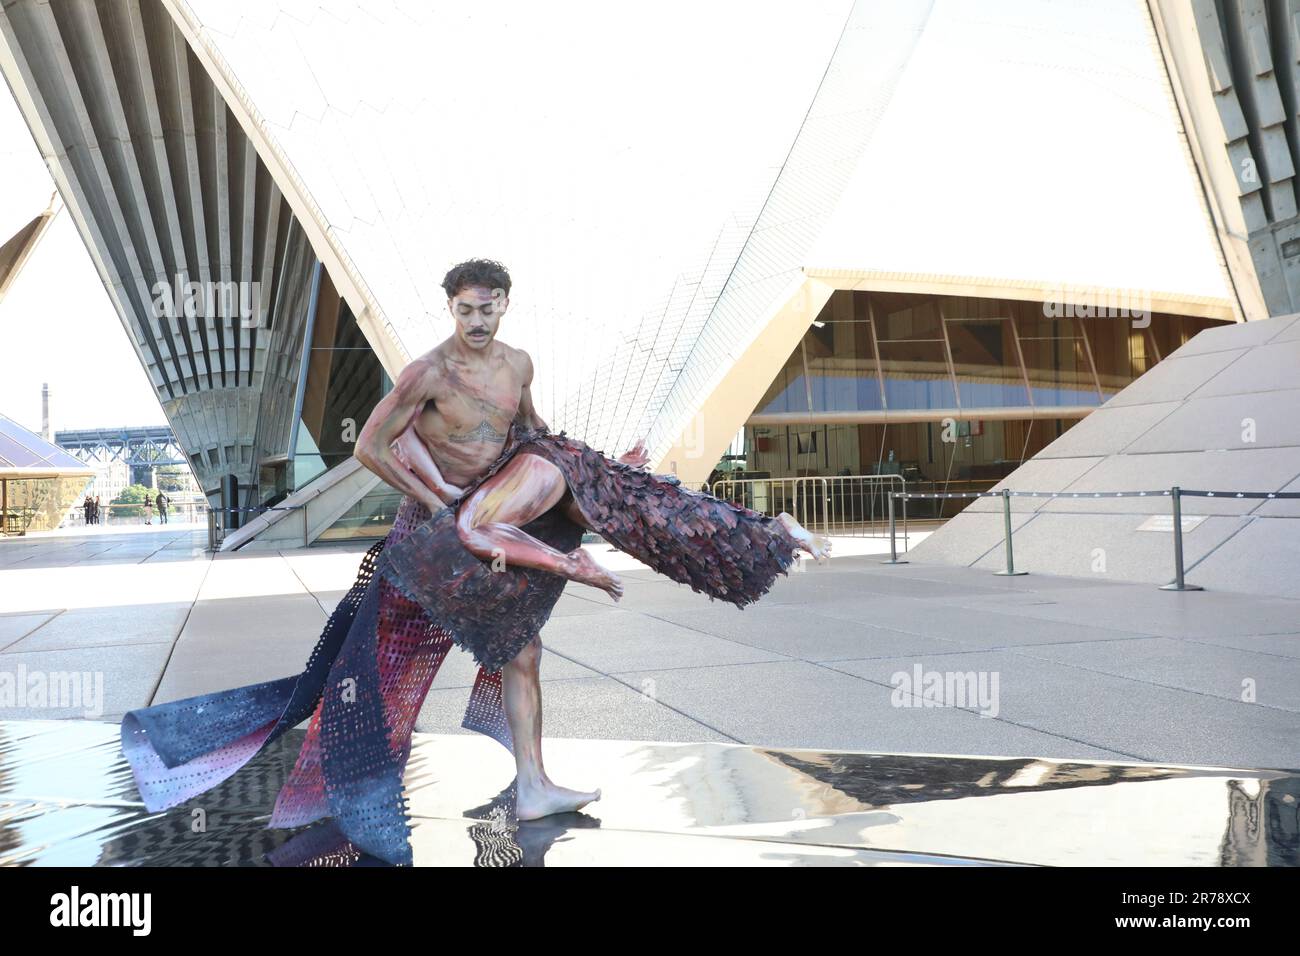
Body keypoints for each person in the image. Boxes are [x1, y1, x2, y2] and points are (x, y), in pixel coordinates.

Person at [120, 258, 830, 866]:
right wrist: (434, 498)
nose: (478, 322)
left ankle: (532, 783)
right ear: (451, 308)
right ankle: (350, 790)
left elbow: (530, 430)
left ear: (504, 306)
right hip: (434, 541)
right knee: (372, 672)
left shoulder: (518, 363)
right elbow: (369, 446)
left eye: (488, 310)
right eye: (466, 311)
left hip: (486, 516)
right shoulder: (429, 372)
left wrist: (603, 466)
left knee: (522, 653)